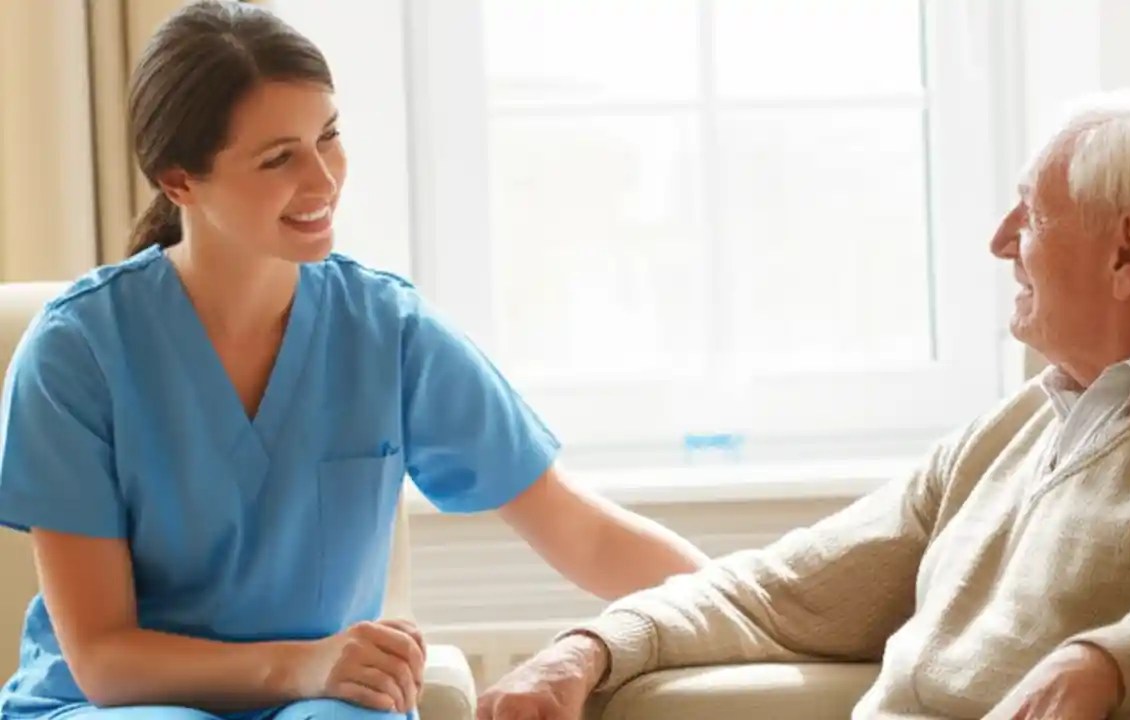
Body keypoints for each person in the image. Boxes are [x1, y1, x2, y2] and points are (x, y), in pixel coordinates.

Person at [477, 87, 1130, 720]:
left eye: (1031, 214)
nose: (1001, 242)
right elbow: (778, 592)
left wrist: (1098, 664)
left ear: (1128, 252)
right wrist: (588, 648)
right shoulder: (1007, 432)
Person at [0, 3, 708, 719]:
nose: (323, 179)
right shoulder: (76, 353)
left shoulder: (387, 332)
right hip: (122, 704)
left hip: (325, 699)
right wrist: (299, 665)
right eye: (279, 158)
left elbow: (578, 529)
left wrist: (758, 605)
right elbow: (103, 660)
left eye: (328, 137)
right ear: (179, 180)